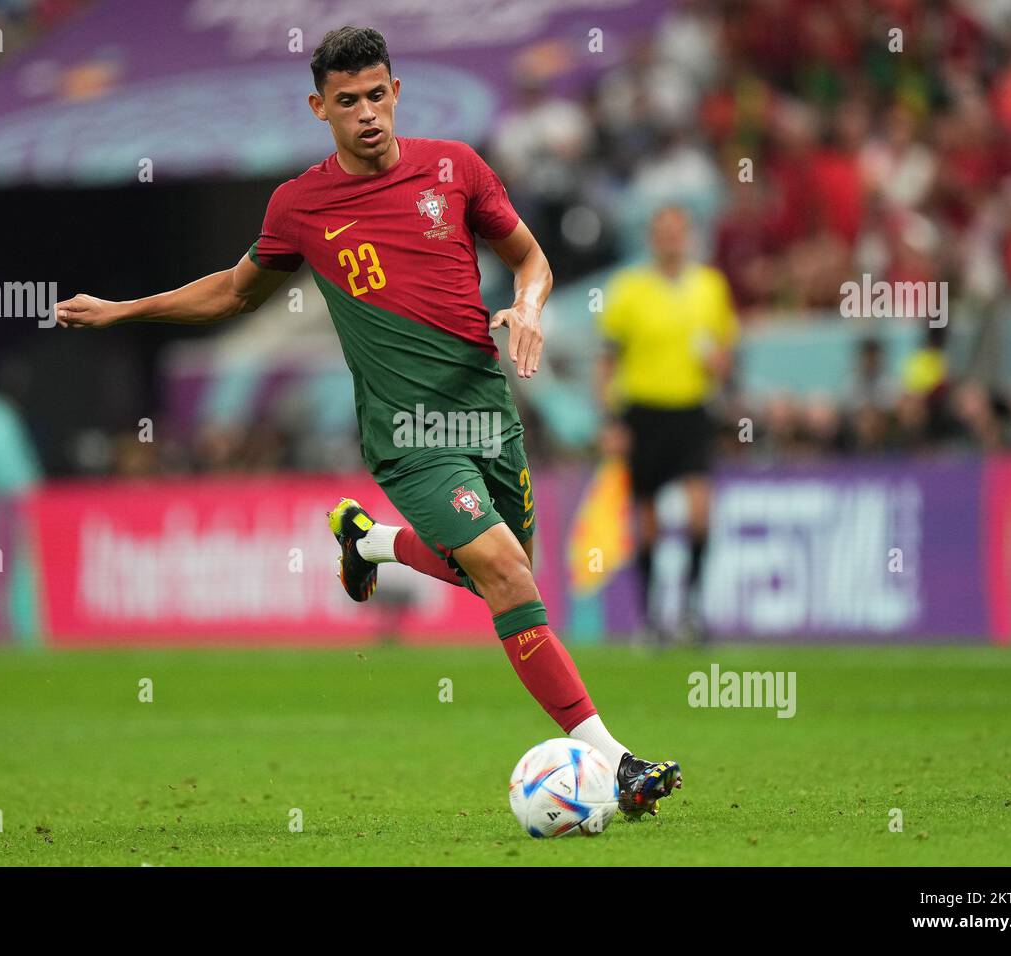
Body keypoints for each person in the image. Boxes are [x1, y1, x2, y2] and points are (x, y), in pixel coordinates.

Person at [54, 27, 681, 819]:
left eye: (377, 95)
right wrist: (126, 312)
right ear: (320, 109)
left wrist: (526, 308)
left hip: (488, 416)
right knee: (505, 572)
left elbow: (532, 258)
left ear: (397, 93)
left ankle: (369, 542)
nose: (367, 114)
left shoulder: (456, 168)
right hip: (408, 435)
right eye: (346, 101)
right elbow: (232, 290)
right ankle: (616, 761)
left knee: (495, 573)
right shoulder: (300, 205)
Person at [598, 206, 738, 644]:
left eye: (677, 232)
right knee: (648, 517)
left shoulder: (711, 287)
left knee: (700, 510)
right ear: (652, 239)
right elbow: (608, 358)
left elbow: (725, 355)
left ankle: (693, 610)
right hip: (643, 412)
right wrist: (611, 419)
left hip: (692, 411)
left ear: (689, 236)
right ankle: (654, 615)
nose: (670, 240)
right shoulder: (629, 290)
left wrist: (718, 364)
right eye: (662, 233)